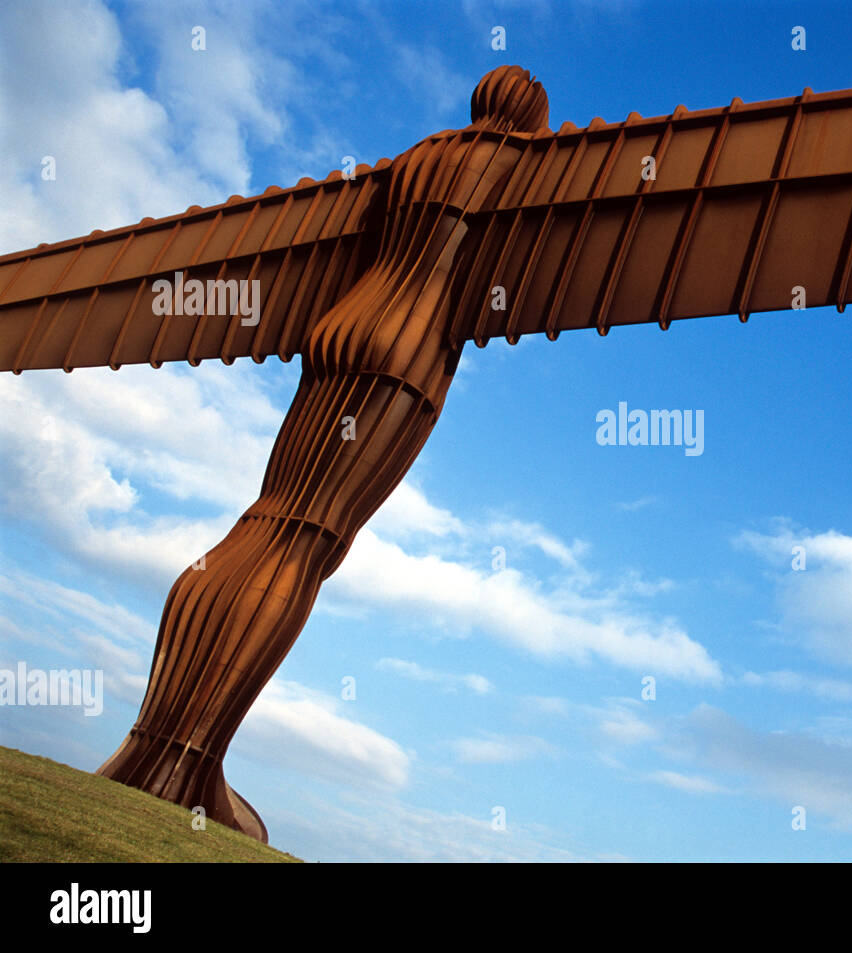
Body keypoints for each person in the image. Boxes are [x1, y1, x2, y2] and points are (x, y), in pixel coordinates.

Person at [96, 66, 550, 842]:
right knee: (307, 539)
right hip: (408, 348)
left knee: (270, 517)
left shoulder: (413, 159)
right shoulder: (536, 165)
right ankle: (185, 759)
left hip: (342, 325)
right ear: (530, 117)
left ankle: (158, 743)